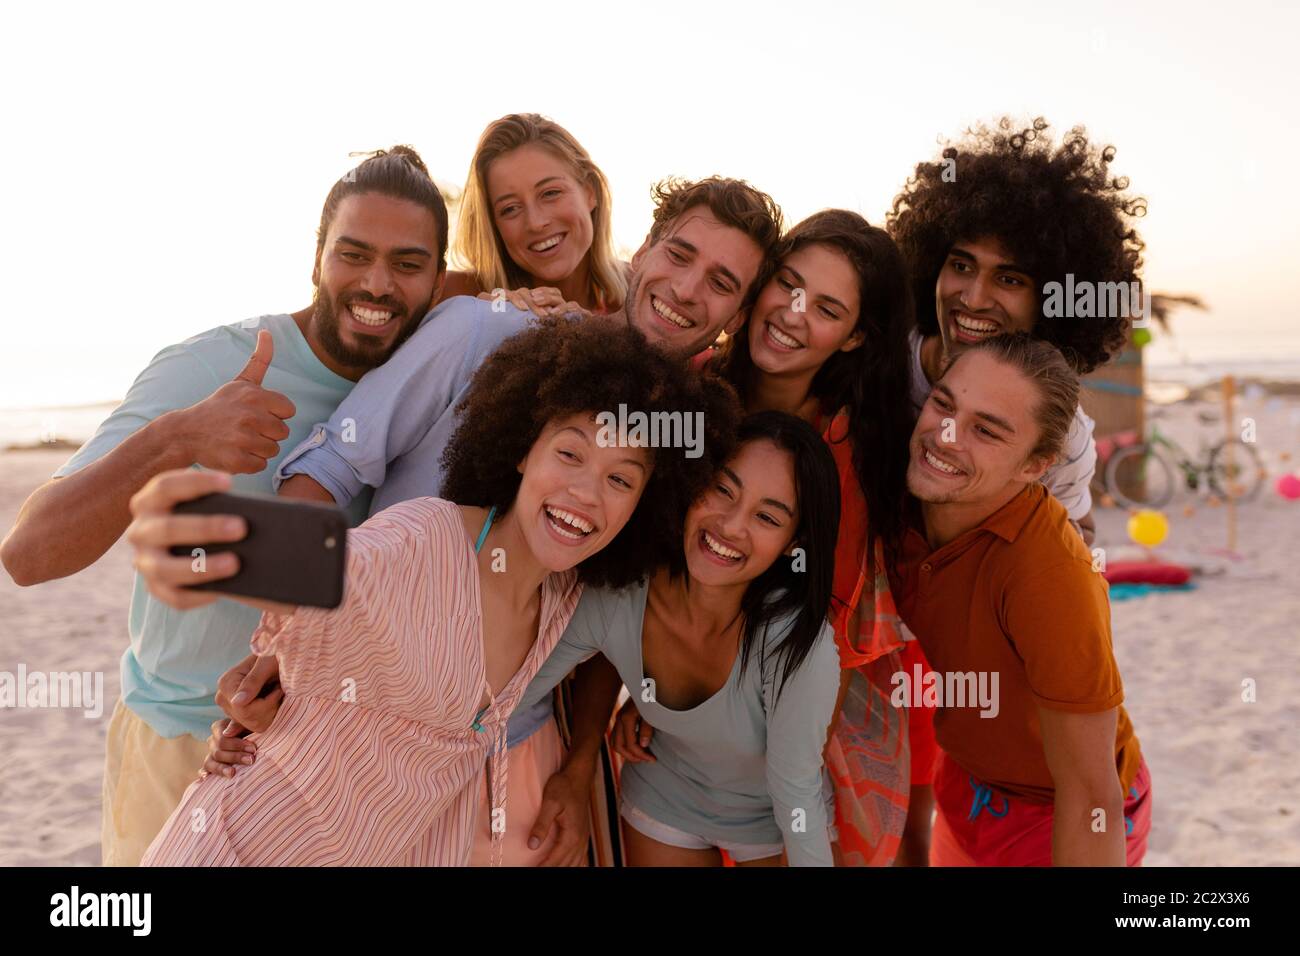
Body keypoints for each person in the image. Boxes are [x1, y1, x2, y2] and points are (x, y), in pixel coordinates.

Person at [224, 174, 783, 866]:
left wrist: (579, 767)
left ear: (736, 314)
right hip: (359, 737)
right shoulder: (482, 329)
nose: (688, 289)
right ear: (641, 252)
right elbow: (331, 470)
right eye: (679, 254)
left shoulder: (689, 439)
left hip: (519, 751)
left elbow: (612, 611)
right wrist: (285, 630)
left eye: (722, 282)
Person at [129, 317, 736, 866]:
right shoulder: (428, 537)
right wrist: (207, 542)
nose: (585, 492)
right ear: (524, 449)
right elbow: (341, 567)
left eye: (620, 478)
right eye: (570, 453)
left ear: (643, 504)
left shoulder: (561, 601)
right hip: (238, 847)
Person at [0, 146, 450, 865]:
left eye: (407, 263)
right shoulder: (212, 366)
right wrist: (177, 436)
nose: (376, 282)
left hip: (333, 766)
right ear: (316, 259)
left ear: (437, 281)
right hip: (181, 750)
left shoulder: (428, 384)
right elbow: (28, 554)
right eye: (353, 254)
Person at [886, 117, 1147, 862]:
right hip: (902, 672)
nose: (974, 295)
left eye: (1012, 277)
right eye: (961, 264)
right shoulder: (879, 369)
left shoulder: (1057, 442)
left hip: (1017, 741)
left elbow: (1054, 586)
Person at [519, 411, 842, 866]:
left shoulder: (797, 643)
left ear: (795, 543)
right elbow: (515, 696)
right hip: (663, 795)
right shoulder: (619, 595)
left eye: (767, 518)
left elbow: (796, 795)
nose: (730, 526)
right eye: (722, 490)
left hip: (772, 817)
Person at [702, 210, 917, 864]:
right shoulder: (695, 392)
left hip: (817, 712)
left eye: (826, 308)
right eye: (788, 285)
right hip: (686, 688)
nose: (793, 314)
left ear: (854, 338)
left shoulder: (850, 445)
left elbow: (826, 619)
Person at [891, 333, 1151, 866]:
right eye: (944, 404)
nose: (944, 437)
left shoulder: (1049, 573)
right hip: (967, 782)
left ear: (1036, 466)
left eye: (986, 430)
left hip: (1059, 811)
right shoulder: (904, 501)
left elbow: (1090, 794)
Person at [440, 112, 627, 315]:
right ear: (494, 225)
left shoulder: (639, 295)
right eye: (510, 208)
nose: (536, 223)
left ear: (590, 191)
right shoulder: (460, 298)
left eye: (550, 193)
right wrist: (487, 321)